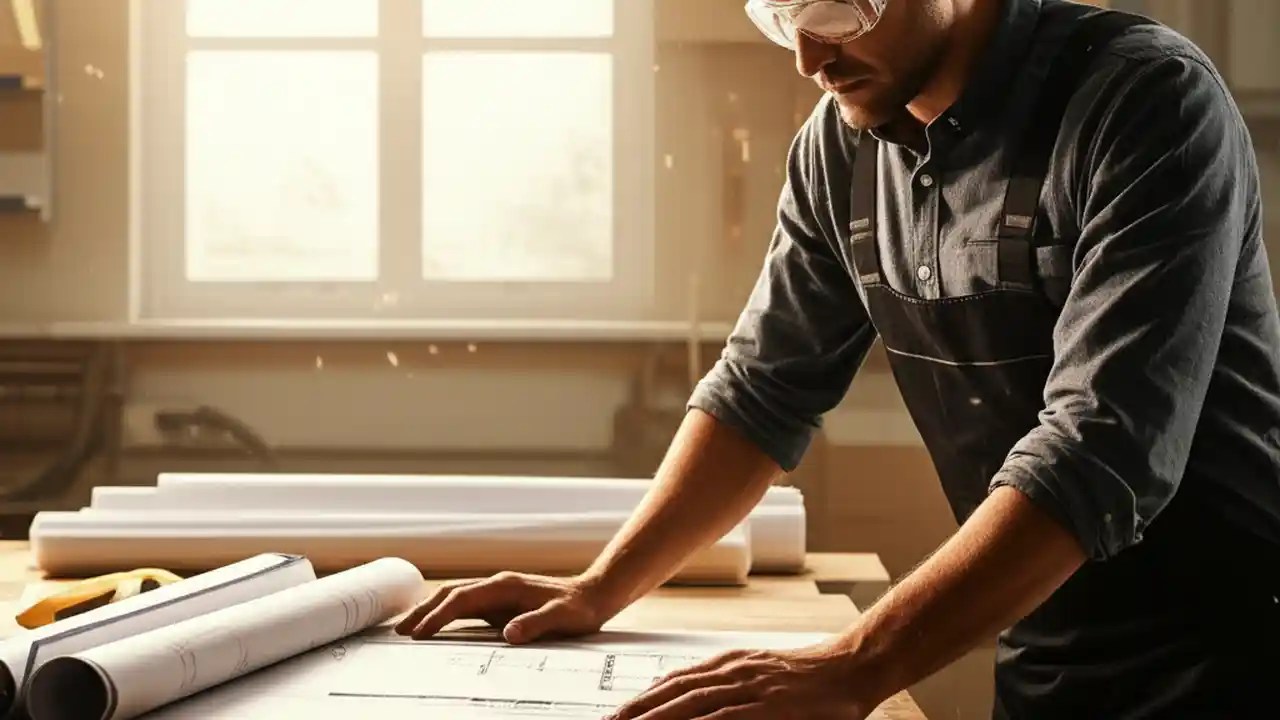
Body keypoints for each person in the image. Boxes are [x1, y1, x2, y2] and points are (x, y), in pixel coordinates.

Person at [396, 0, 1280, 716]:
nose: (807, 57)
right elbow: (760, 394)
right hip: (1043, 651)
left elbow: (1099, 451)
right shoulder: (838, 148)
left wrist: (854, 667)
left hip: (1233, 657)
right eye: (783, 16)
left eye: (835, 12)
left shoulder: (1147, 102)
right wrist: (599, 589)